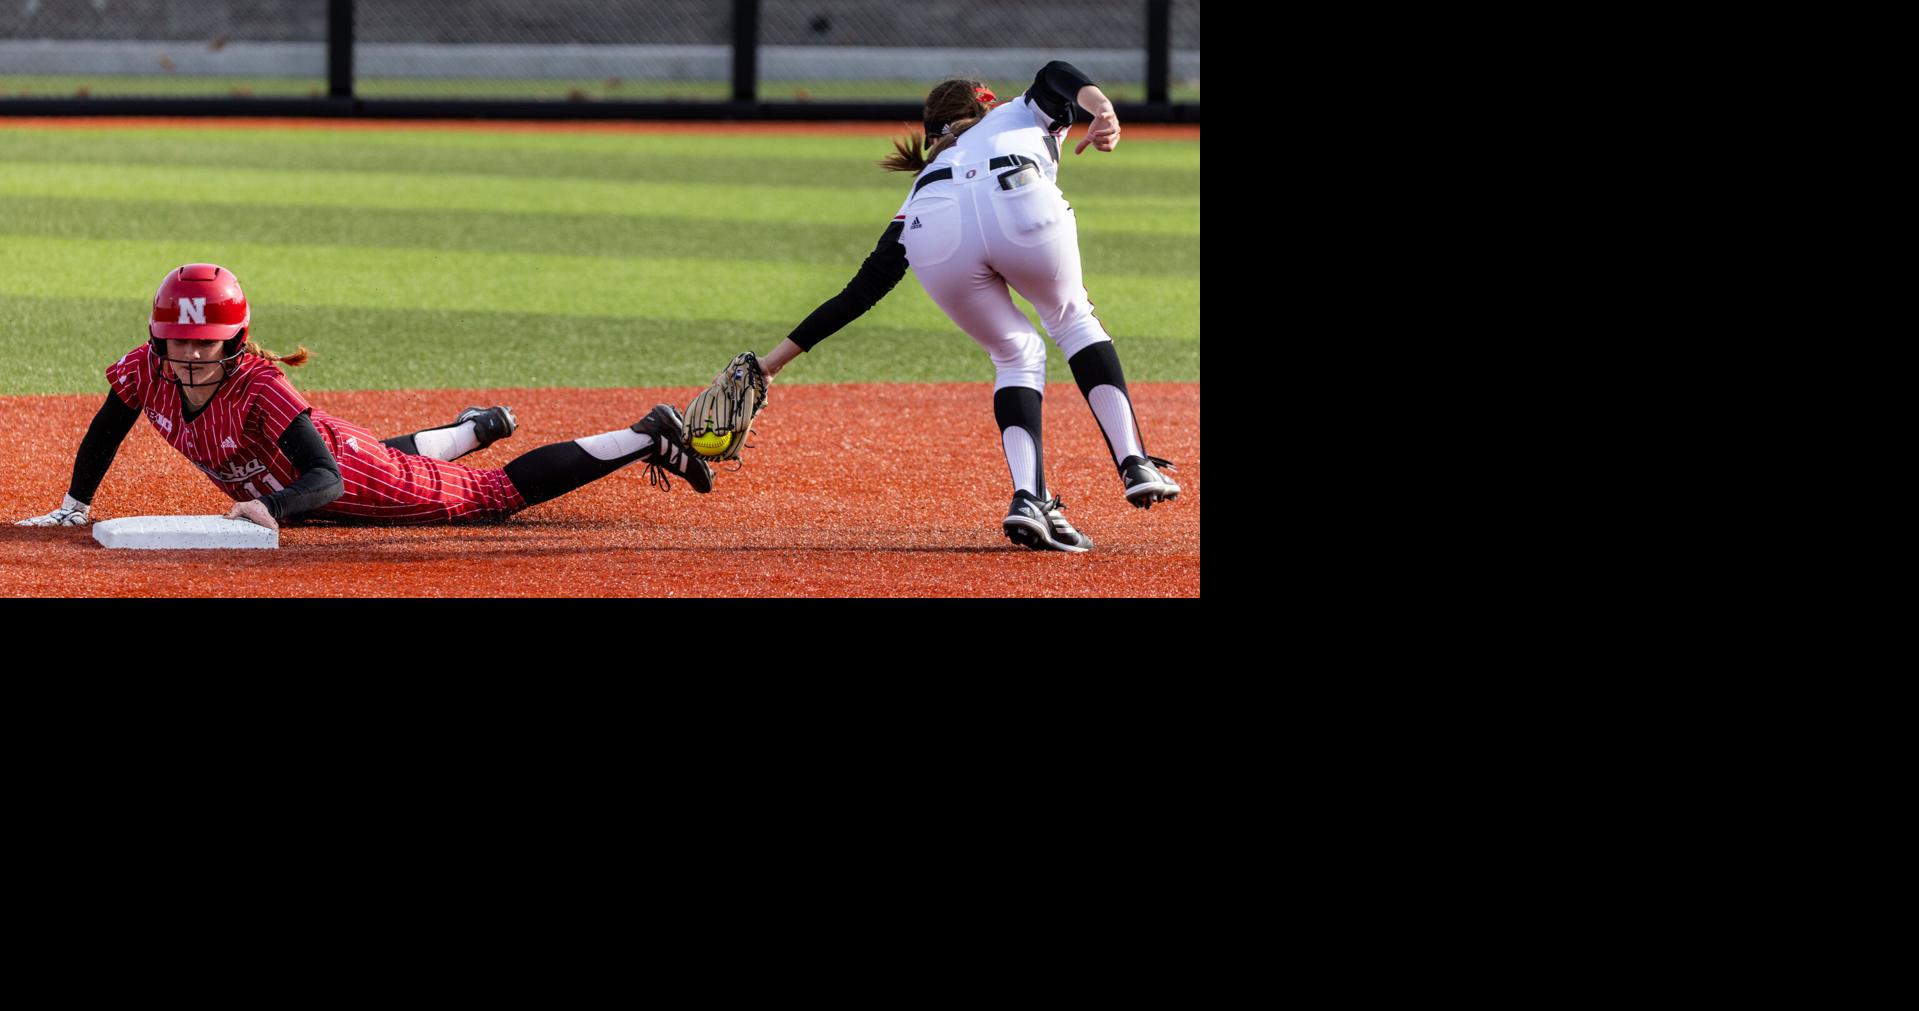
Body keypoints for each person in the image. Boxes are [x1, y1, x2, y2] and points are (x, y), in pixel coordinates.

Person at [735, 61, 1180, 553]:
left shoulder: (925, 178)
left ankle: (1030, 498)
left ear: (932, 136)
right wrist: (1103, 109)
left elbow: (862, 290)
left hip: (935, 224)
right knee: (1072, 321)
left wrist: (772, 362)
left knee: (1016, 354)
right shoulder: (1019, 112)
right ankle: (1133, 461)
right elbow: (1055, 73)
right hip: (1019, 196)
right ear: (985, 104)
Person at [16, 263, 711, 531]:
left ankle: (646, 434)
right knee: (405, 459)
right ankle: (475, 425)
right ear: (158, 338)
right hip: (315, 465)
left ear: (234, 340)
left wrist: (270, 509)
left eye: (207, 342)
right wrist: (75, 506)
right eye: (179, 341)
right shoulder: (146, 368)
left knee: (490, 499)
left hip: (344, 474)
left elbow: (325, 478)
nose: (191, 354)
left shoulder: (260, 384)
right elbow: (105, 431)